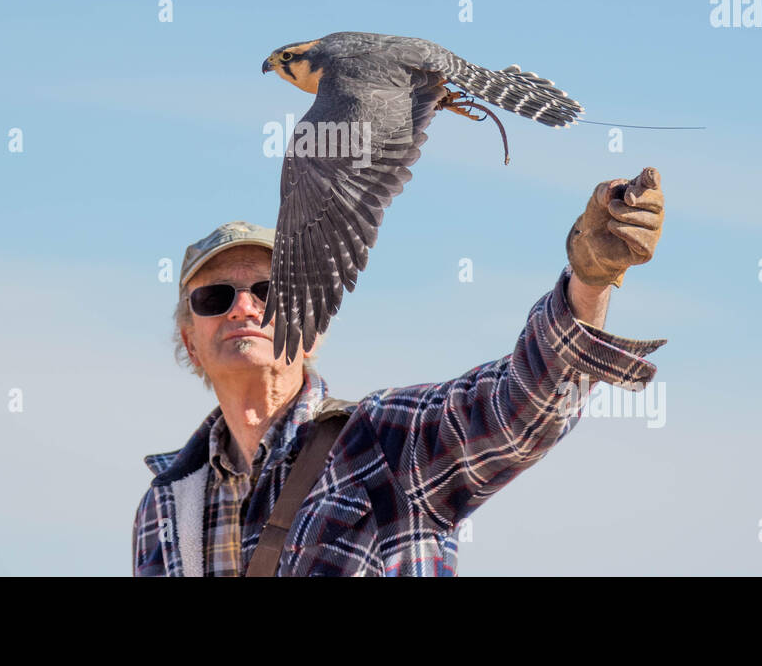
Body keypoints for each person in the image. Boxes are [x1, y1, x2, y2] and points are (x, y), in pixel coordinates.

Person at [132, 168, 667, 576]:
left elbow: (520, 407)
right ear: (190, 342)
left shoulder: (387, 439)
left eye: (270, 292)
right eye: (214, 297)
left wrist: (591, 281)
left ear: (314, 329)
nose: (243, 308)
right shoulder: (165, 503)